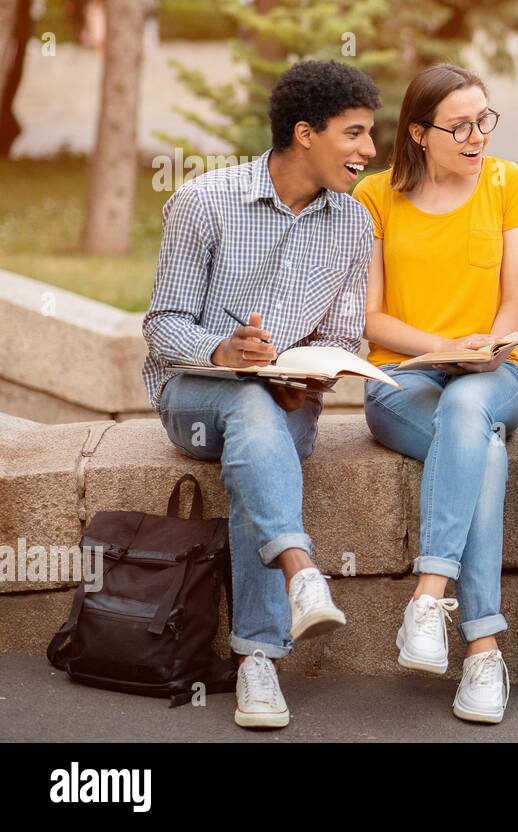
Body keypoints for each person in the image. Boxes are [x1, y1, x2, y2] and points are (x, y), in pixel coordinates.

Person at [143, 59, 379, 729]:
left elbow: (344, 338)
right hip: (195, 398)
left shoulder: (354, 225)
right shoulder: (204, 202)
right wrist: (224, 352)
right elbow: (163, 326)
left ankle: (261, 654)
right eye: (355, 133)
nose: (368, 151)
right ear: (305, 134)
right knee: (248, 407)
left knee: (259, 436)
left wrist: (315, 372)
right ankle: (279, 616)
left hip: (286, 405)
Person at [355, 64, 518, 724]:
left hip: (493, 375)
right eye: (459, 125)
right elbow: (370, 319)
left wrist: (483, 348)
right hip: (401, 380)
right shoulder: (377, 196)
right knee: (480, 452)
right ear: (419, 133)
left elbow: (516, 299)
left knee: (469, 407)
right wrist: (440, 347)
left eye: (484, 119)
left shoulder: (506, 182)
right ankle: (483, 649)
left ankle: (428, 599)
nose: (477, 135)